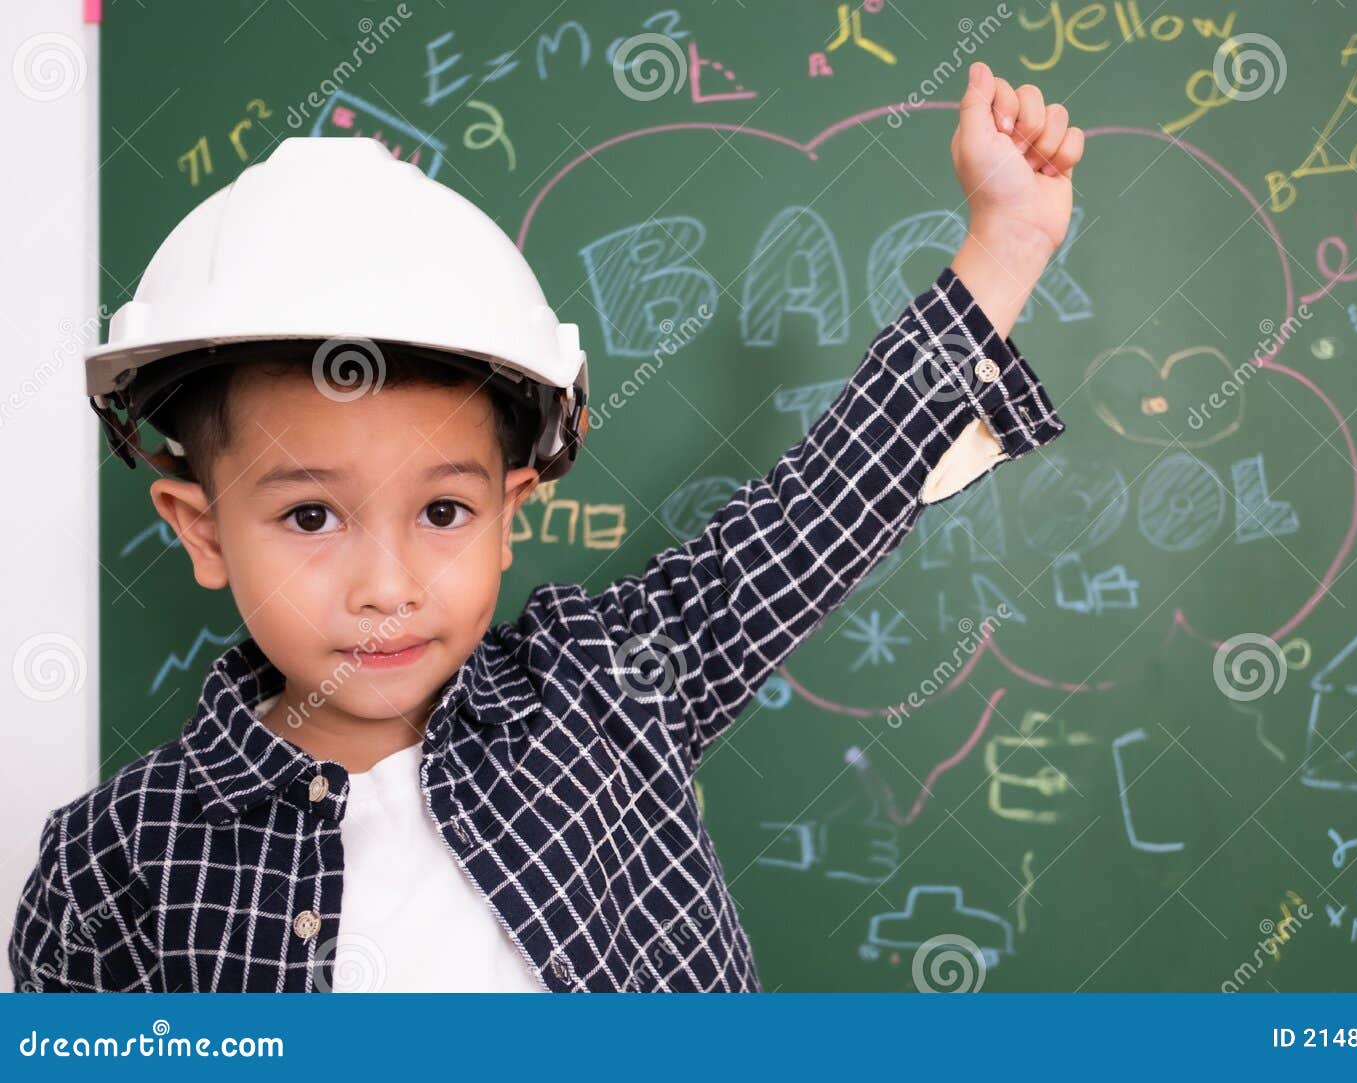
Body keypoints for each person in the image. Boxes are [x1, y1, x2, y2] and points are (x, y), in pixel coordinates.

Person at [11, 61, 1084, 992]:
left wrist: (1007, 244)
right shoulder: (113, 862)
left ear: (510, 512)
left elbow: (816, 513)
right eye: (308, 515)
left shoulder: (606, 690)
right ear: (199, 530)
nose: (387, 584)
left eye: (442, 511)